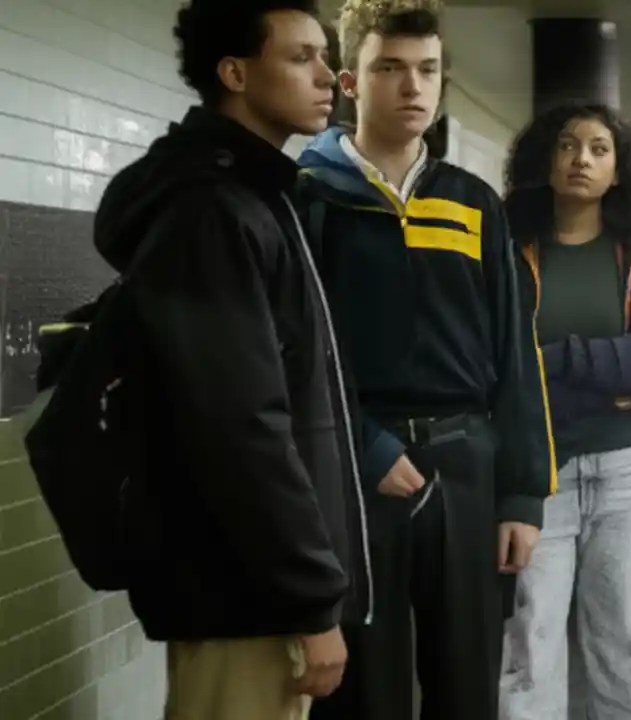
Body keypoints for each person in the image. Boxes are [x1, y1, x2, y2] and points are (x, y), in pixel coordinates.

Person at [92, 1, 368, 717]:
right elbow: (240, 426)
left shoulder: (253, 194)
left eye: (325, 56)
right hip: (244, 592)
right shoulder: (214, 211)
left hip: (253, 585)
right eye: (301, 57)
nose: (328, 76)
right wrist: (311, 600)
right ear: (235, 73)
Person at [296, 2, 556, 719]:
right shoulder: (309, 198)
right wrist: (364, 446)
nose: (413, 86)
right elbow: (296, 353)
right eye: (390, 68)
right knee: (364, 692)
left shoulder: (473, 204)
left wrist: (522, 495)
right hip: (359, 471)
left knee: (467, 684)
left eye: (428, 70)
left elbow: (515, 350)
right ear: (350, 82)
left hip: (465, 466)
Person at [498, 103, 631, 720]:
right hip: (538, 471)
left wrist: (556, 359)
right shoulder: (512, 250)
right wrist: (604, 369)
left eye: (599, 149)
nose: (582, 159)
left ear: (619, 169)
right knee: (530, 646)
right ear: (545, 160)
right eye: (568, 145)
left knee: (626, 648)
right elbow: (501, 362)